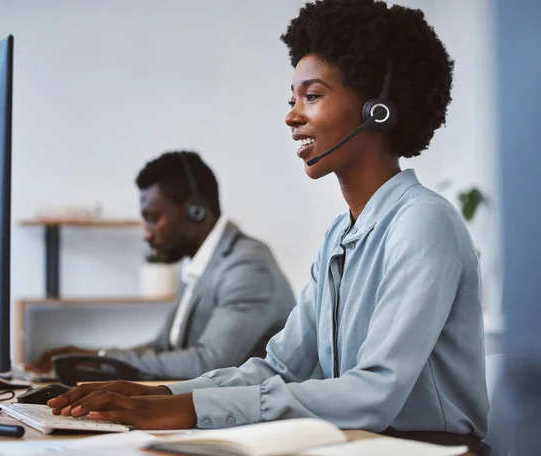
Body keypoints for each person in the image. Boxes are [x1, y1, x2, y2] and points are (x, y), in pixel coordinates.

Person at [48, 1, 489, 452]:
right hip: (361, 442)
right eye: (292, 98)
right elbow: (278, 368)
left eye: (312, 95)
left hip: (428, 448)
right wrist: (158, 393)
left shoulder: (423, 222)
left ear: (377, 109)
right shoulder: (341, 236)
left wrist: (190, 410)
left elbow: (374, 392)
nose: (292, 115)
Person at [26, 150, 296, 380]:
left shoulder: (246, 265)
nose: (146, 233)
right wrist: (91, 359)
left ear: (196, 212)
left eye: (153, 218)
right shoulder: (199, 264)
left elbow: (210, 364)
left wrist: (104, 360)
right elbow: (164, 348)